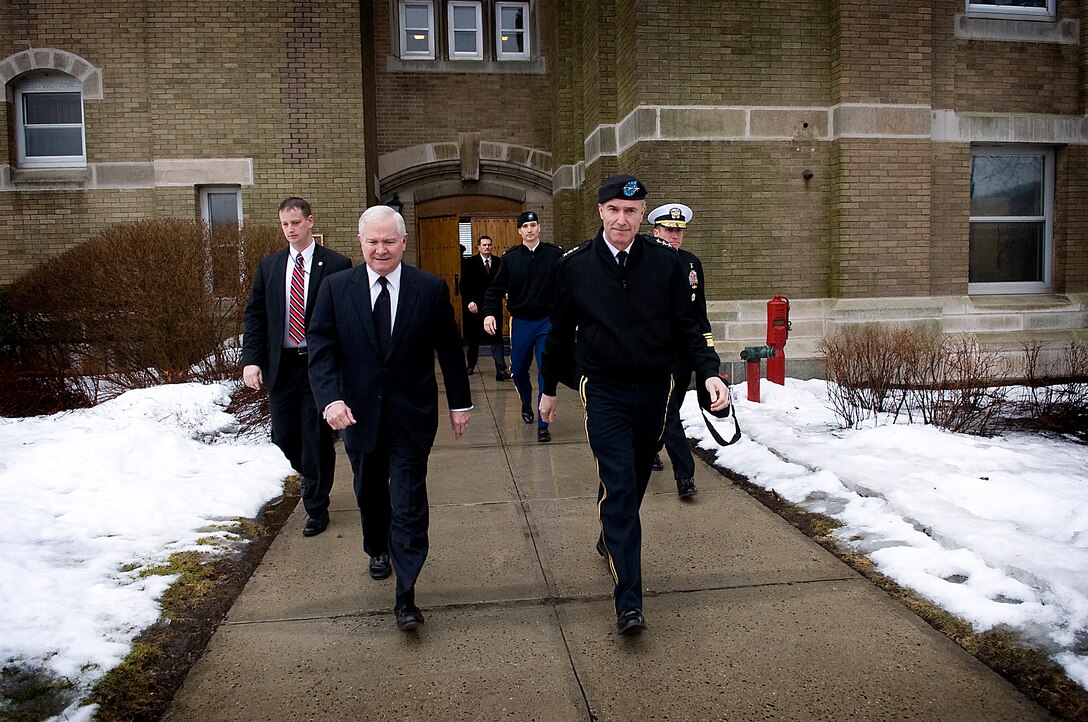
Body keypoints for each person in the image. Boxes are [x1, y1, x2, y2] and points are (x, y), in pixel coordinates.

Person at [539, 175, 729, 636]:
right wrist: (549, 388)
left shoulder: (666, 263)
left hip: (654, 390)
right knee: (620, 484)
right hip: (603, 390)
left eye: (631, 211)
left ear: (642, 214)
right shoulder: (574, 266)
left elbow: (690, 325)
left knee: (639, 474)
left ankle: (610, 534)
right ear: (600, 212)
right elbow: (559, 333)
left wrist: (709, 372)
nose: (622, 219)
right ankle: (629, 602)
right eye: (614, 210)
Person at [307, 204, 472, 632]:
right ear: (360, 242)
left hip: (410, 416)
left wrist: (459, 403)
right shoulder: (336, 288)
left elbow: (450, 351)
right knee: (369, 492)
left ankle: (407, 595)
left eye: (389, 241)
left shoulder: (428, 288)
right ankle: (375, 545)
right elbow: (322, 350)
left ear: (403, 242)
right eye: (373, 241)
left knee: (410, 501)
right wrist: (331, 401)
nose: (381, 250)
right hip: (357, 415)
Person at [242, 197, 352, 538]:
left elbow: (346, 318)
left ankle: (316, 506)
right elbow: (256, 316)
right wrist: (252, 360)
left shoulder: (335, 264)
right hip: (283, 364)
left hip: (318, 364)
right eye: (285, 225)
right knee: (285, 435)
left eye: (295, 223)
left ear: (309, 222)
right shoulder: (270, 266)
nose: (290, 230)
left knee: (316, 436)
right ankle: (311, 474)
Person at [648, 202, 713, 499]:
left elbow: (699, 311)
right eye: (669, 230)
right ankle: (685, 475)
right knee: (670, 411)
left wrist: (706, 353)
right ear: (656, 231)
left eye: (679, 230)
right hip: (658, 351)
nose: (675, 235)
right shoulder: (645, 260)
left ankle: (651, 446)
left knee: (669, 409)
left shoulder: (691, 263)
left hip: (685, 350)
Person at [482, 211, 563, 443]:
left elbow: (567, 287)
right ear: (519, 231)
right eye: (525, 226)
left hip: (546, 322)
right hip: (521, 322)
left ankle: (543, 424)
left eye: (533, 225)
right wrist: (488, 313)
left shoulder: (554, 255)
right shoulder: (510, 258)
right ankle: (526, 402)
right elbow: (495, 289)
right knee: (518, 369)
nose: (529, 229)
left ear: (539, 228)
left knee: (546, 370)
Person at [461, 235, 511, 381]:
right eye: (484, 245)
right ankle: (470, 365)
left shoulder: (498, 262)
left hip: (494, 307)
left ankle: (501, 369)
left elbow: (504, 282)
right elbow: (464, 285)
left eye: (489, 245)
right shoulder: (470, 263)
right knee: (474, 339)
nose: (487, 247)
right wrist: (469, 302)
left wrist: (506, 294)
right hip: (475, 307)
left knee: (496, 338)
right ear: (478, 247)